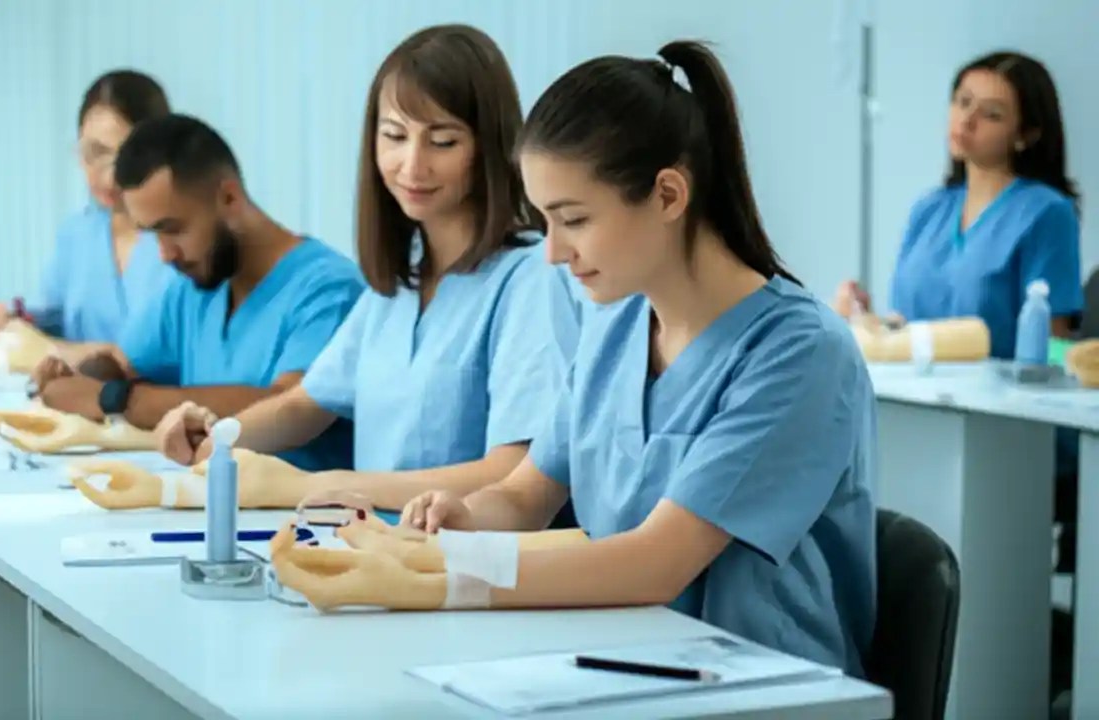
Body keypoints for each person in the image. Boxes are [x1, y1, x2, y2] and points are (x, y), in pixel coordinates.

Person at [384, 41, 877, 675]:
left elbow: (655, 564)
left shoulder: (800, 354)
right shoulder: (615, 328)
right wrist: (466, 518)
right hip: (619, 662)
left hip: (759, 686)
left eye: (575, 220)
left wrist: (444, 574)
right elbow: (525, 494)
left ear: (669, 196)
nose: (553, 253)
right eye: (545, 221)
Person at [151, 24, 580, 512]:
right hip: (372, 551)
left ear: (489, 146)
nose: (411, 165)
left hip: (456, 567)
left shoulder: (531, 279)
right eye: (394, 136)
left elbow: (511, 473)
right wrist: (219, 438)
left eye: (442, 142)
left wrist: (318, 488)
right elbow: (305, 404)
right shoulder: (398, 282)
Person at [35, 114, 364, 472]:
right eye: (152, 235)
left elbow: (288, 407)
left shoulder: (329, 290)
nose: (164, 254)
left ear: (228, 197)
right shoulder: (194, 286)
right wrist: (78, 377)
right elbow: (122, 364)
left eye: (172, 230)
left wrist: (115, 399)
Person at [835, 51, 1083, 360]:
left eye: (991, 114)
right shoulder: (929, 210)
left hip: (996, 403)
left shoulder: (1046, 213)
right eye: (963, 102)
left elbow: (1051, 347)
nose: (967, 120)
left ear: (1025, 135)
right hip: (913, 394)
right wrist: (865, 321)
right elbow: (909, 326)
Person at [0, 70, 176, 348]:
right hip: (80, 392)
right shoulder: (77, 235)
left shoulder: (182, 238)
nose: (109, 177)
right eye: (95, 154)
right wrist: (12, 319)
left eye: (125, 157)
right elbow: (48, 318)